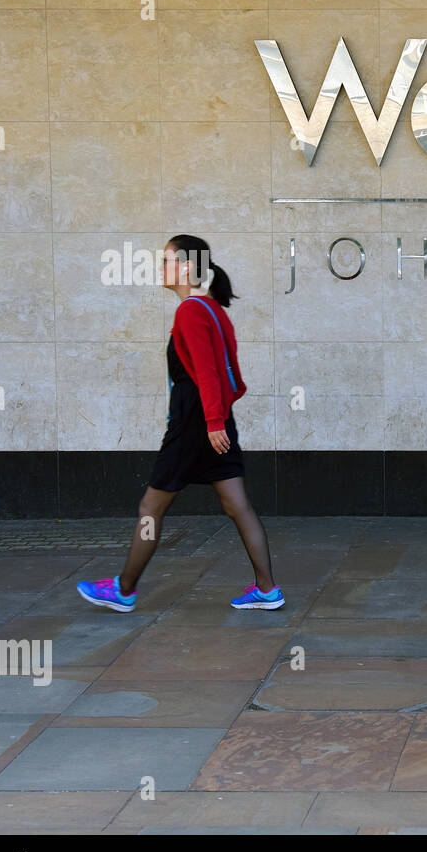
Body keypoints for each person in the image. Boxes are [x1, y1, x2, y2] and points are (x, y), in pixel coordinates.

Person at [76, 235, 282, 612]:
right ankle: (267, 589)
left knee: (150, 508)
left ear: (187, 266)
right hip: (214, 421)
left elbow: (206, 372)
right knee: (238, 505)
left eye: (167, 260)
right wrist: (219, 420)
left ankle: (123, 590)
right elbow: (229, 375)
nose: (161, 267)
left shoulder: (190, 310)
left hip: (196, 423)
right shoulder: (214, 309)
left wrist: (211, 421)